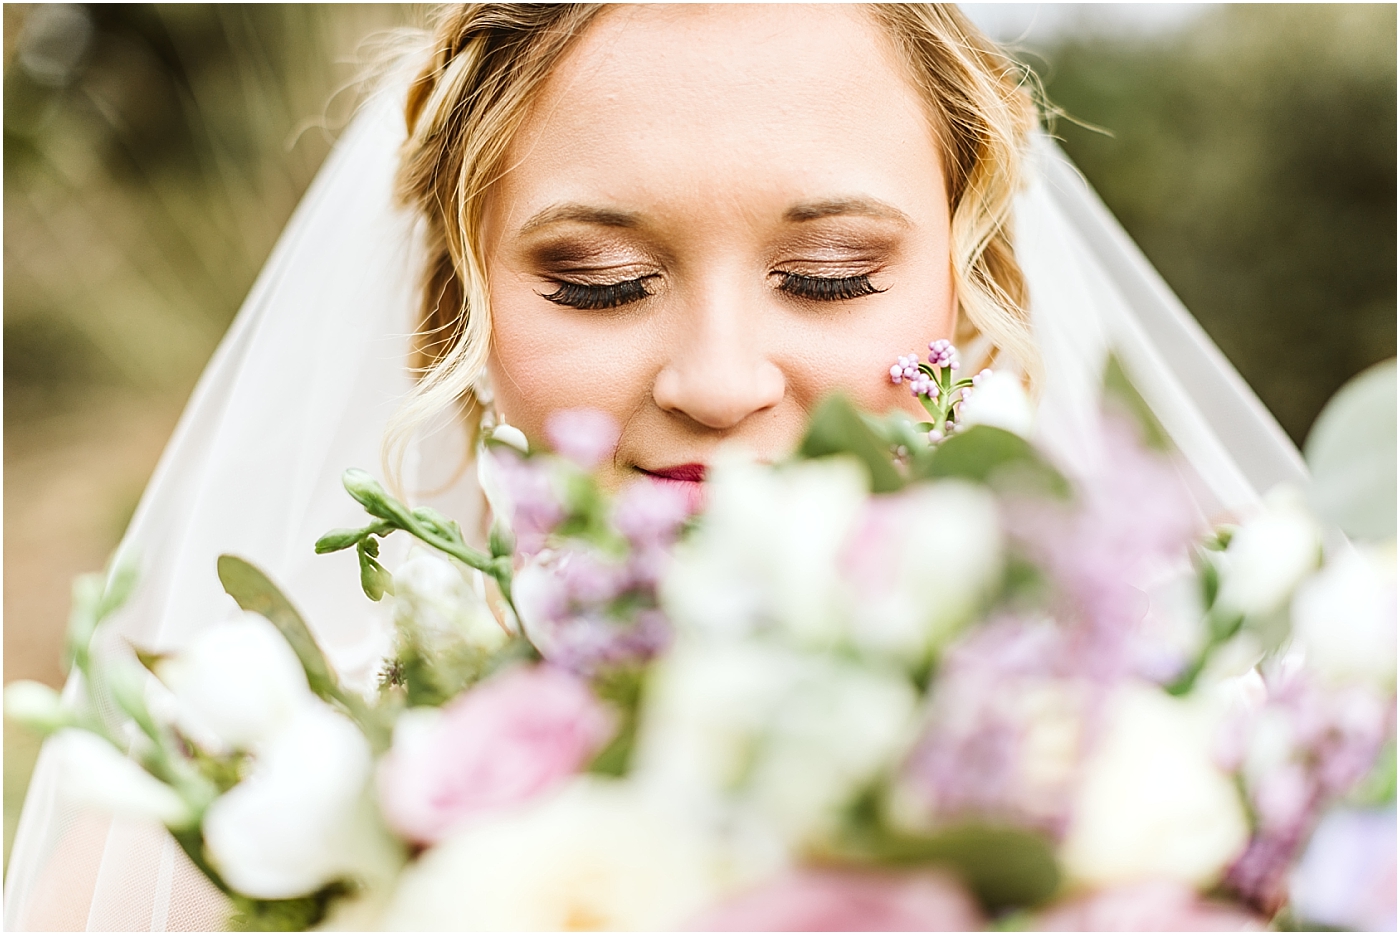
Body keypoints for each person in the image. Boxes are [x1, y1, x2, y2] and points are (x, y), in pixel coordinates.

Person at [3, 5, 1306, 930]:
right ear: (465, 309)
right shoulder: (260, 801)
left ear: (967, 293)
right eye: (601, 282)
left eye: (828, 276)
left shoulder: (1203, 761)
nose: (721, 381)